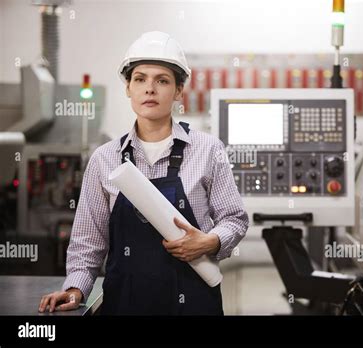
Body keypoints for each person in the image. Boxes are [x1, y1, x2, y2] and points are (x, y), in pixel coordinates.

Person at [38, 31, 249, 315]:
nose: (150, 89)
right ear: (128, 88)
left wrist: (209, 241)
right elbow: (88, 241)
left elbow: (234, 219)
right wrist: (76, 288)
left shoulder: (208, 150)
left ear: (178, 91)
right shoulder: (105, 159)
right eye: (140, 79)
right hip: (126, 304)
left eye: (162, 80)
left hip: (194, 304)